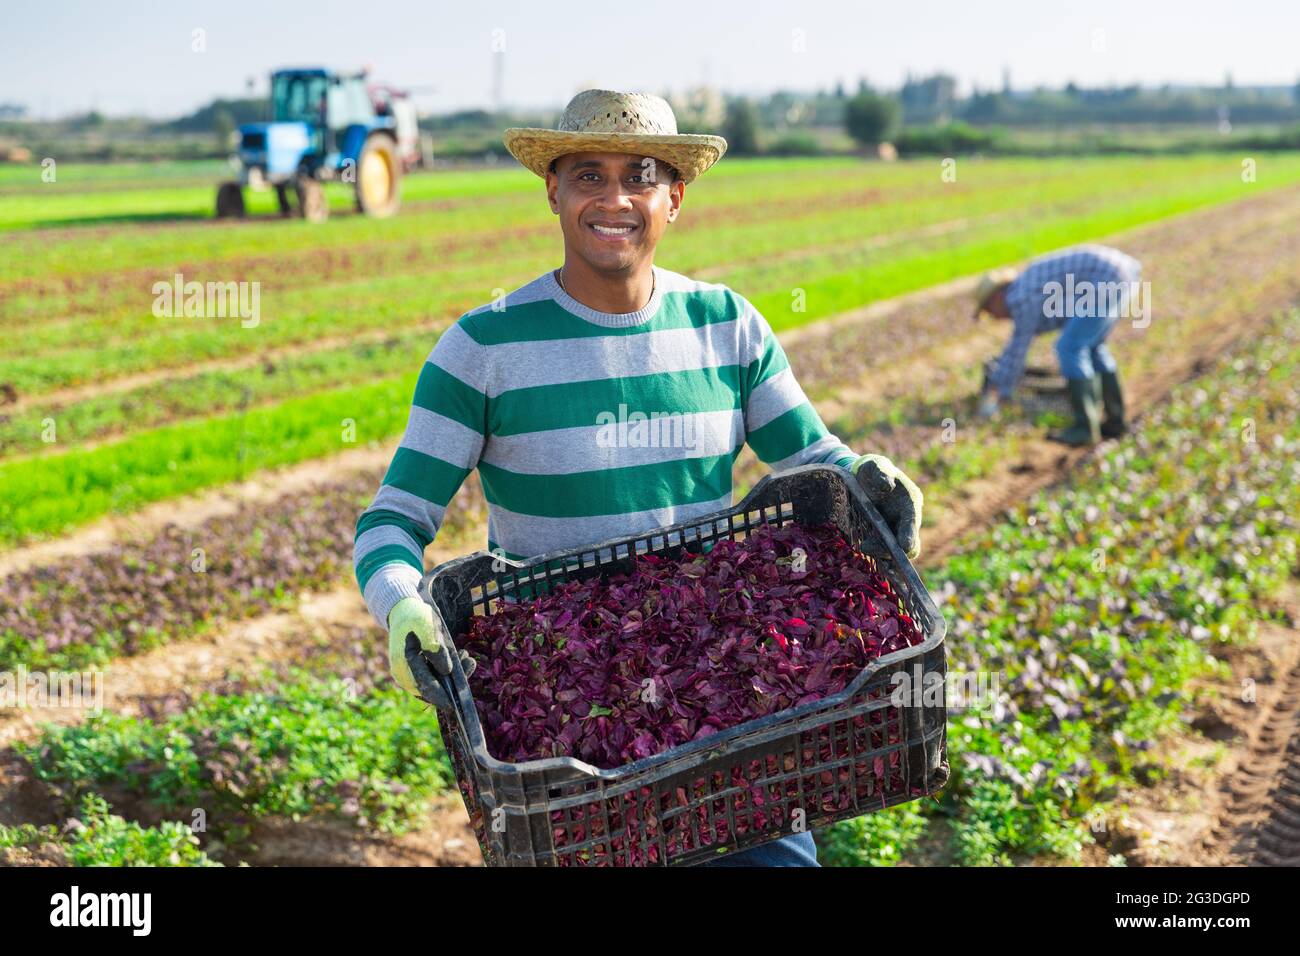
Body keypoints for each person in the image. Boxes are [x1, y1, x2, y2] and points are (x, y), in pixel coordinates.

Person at [352, 89, 925, 867]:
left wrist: (867, 475)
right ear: (553, 191)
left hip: (723, 688)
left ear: (674, 198)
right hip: (561, 710)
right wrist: (400, 606)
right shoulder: (482, 348)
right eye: (588, 175)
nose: (614, 198)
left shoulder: (727, 325)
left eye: (640, 176)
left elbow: (813, 460)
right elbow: (393, 520)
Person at [973, 243, 1140, 445]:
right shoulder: (1026, 286)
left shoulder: (1019, 297)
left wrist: (1000, 392)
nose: (995, 317)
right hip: (1120, 272)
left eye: (990, 312)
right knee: (1093, 347)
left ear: (996, 298)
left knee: (1070, 347)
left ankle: (1085, 427)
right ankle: (1115, 421)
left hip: (1106, 276)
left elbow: (1018, 349)